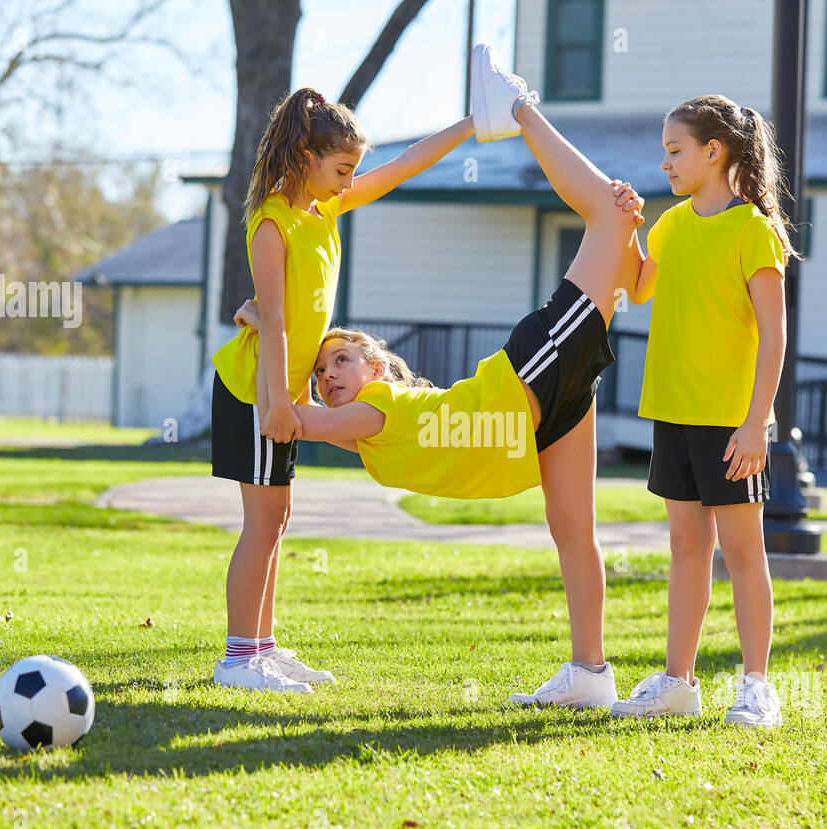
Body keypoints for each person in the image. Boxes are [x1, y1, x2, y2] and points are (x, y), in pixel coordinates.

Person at [253, 45, 645, 708]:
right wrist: (276, 356)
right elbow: (302, 415)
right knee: (574, 529)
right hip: (544, 411)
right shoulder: (363, 431)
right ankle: (590, 673)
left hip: (524, 377)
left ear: (379, 367)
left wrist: (273, 375)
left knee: (606, 215)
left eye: (342, 359)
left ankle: (519, 107)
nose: (329, 374)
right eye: (322, 371)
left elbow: (298, 419)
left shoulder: (374, 409)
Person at [210, 87, 477, 693]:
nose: (347, 182)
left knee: (277, 520)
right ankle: (237, 659)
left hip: (278, 392)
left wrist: (469, 125)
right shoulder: (273, 222)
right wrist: (280, 402)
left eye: (353, 171)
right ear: (305, 156)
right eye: (340, 170)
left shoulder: (323, 210)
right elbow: (274, 320)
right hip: (255, 391)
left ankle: (263, 648)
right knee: (262, 523)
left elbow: (406, 165)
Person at [608, 94, 798, 726]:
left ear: (713, 152)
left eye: (674, 150)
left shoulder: (753, 230)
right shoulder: (671, 223)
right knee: (688, 547)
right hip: (674, 411)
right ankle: (678, 682)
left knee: (745, 553)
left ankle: (756, 687)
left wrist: (755, 423)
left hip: (730, 420)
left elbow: (774, 335)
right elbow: (636, 286)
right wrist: (626, 226)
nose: (665, 163)